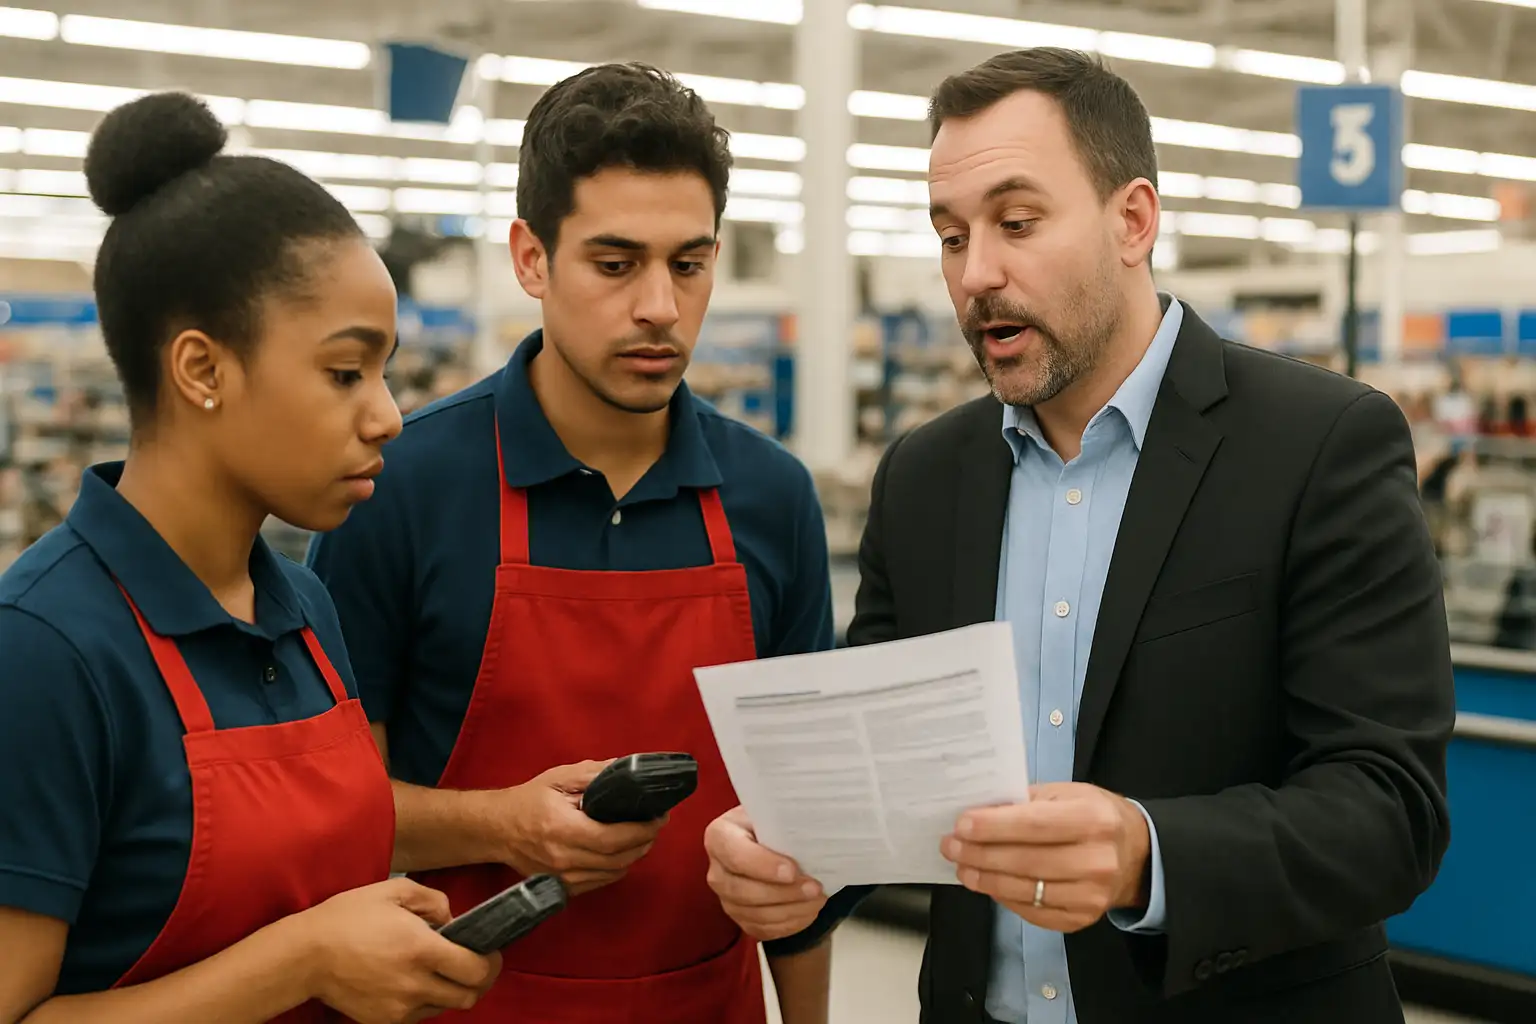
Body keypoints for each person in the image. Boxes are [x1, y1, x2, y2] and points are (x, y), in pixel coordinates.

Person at [702, 47, 1456, 1024]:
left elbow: (1391, 809)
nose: (976, 274)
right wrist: (803, 865)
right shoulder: (926, 480)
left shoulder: (1316, 445)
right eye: (951, 235)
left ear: (1133, 219)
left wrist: (1148, 852)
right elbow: (890, 784)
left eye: (1017, 224)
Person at [307, 63, 838, 1023]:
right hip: (464, 1004)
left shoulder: (771, 497)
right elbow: (328, 819)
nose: (660, 309)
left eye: (689, 262)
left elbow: (803, 837)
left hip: (705, 1003)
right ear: (531, 259)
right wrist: (498, 822)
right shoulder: (401, 489)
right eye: (614, 262)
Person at [0, 92, 502, 1024]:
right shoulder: (42, 650)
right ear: (202, 370)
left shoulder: (305, 607)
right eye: (345, 372)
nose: (388, 413)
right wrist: (304, 959)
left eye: (385, 372)